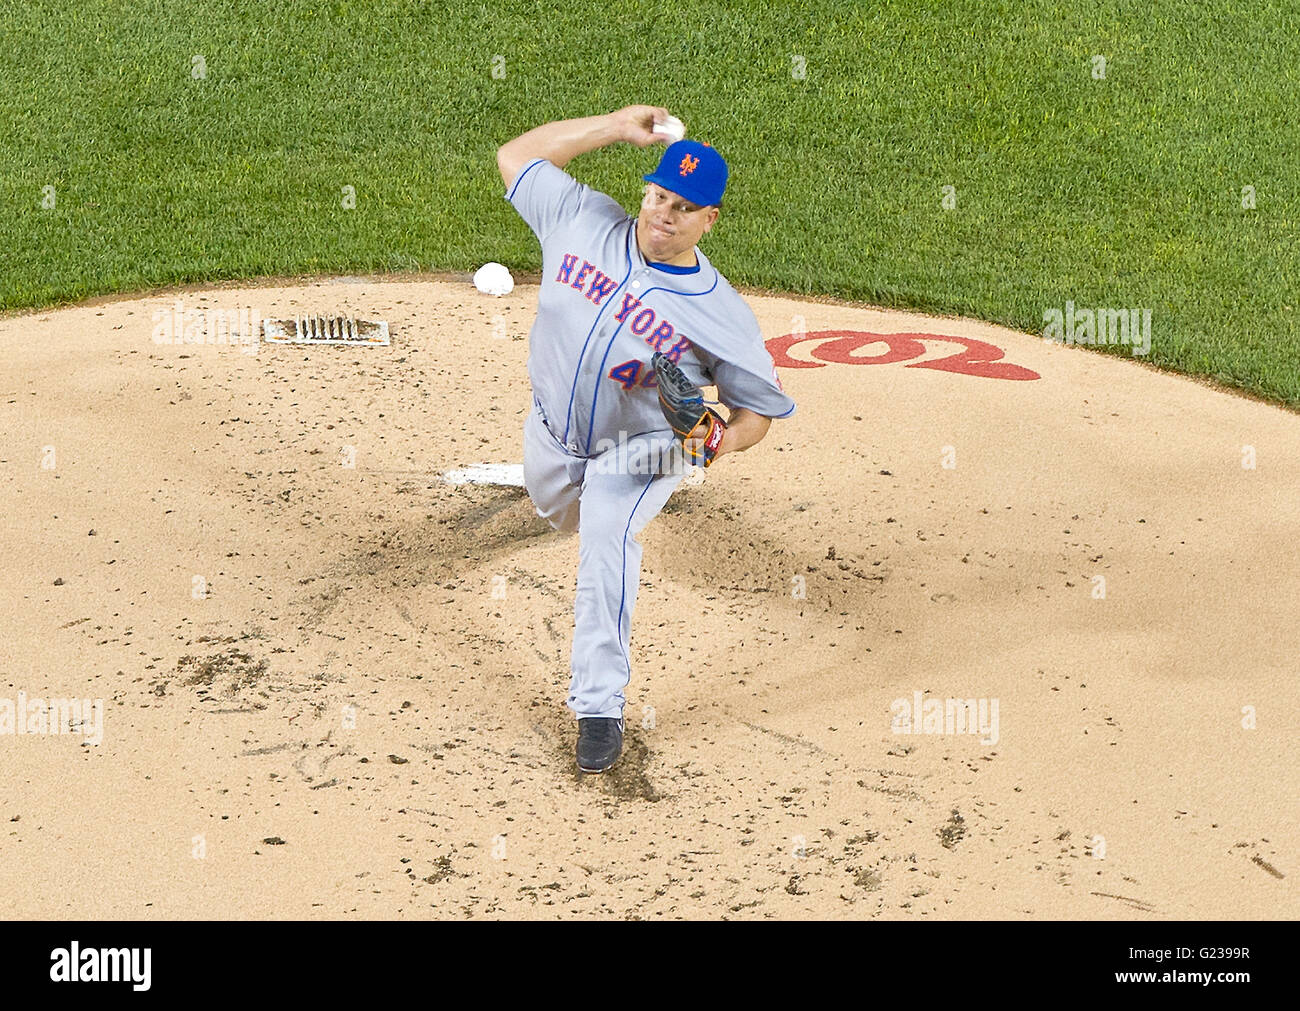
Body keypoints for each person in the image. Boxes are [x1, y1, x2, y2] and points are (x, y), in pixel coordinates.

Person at [496, 104, 795, 773]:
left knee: (605, 529)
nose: (663, 213)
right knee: (561, 512)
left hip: (641, 450)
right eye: (658, 194)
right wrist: (609, 126)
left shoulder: (721, 315)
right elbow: (515, 158)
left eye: (683, 207)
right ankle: (570, 488)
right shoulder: (580, 220)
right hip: (553, 431)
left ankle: (598, 708)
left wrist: (721, 442)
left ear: (709, 219)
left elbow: (758, 413)